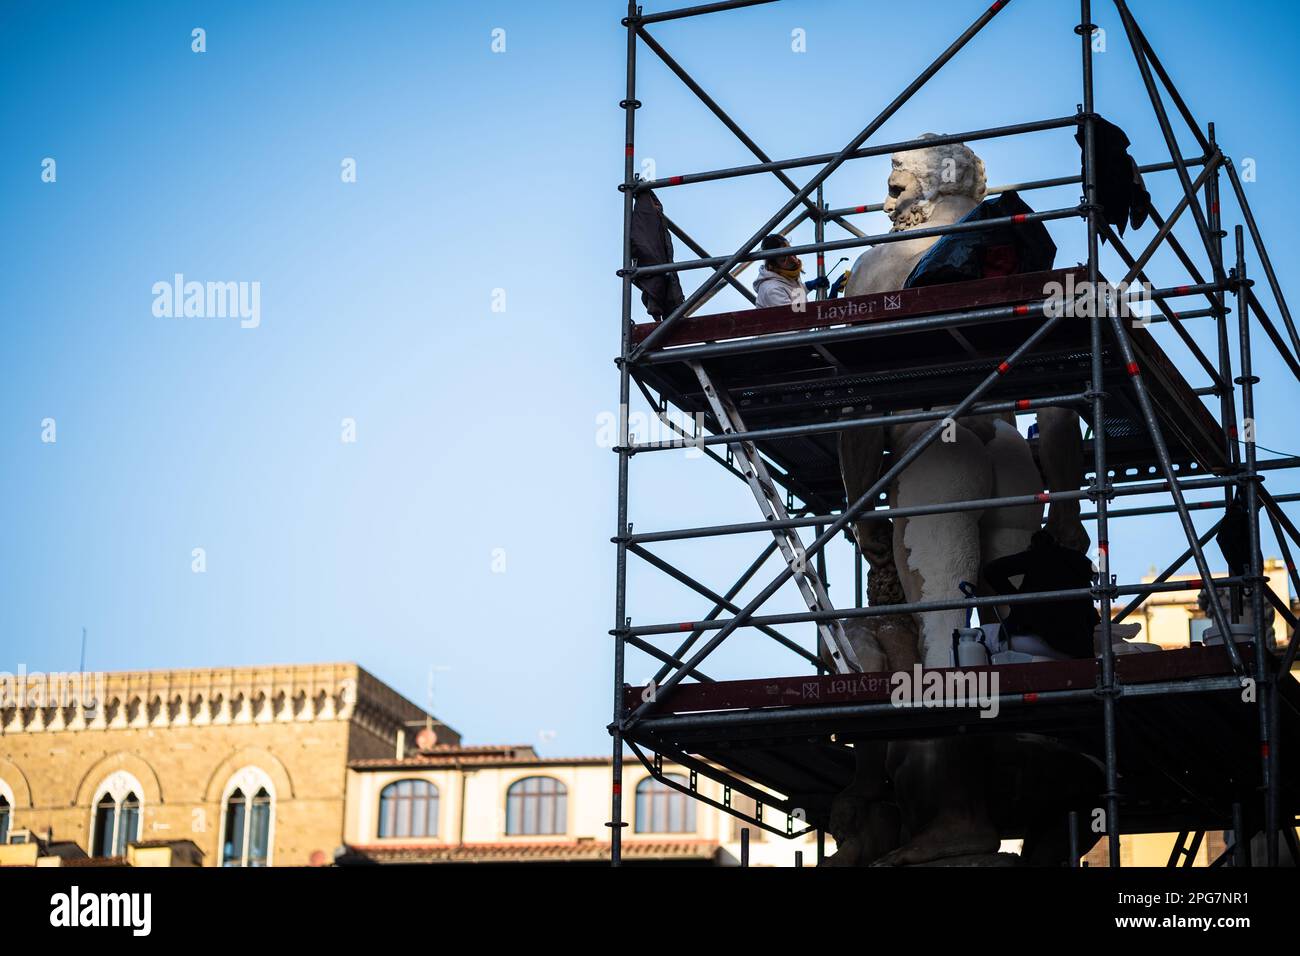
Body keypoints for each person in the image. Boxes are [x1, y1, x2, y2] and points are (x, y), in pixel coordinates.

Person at [982, 529, 1100, 659]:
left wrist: (1016, 599)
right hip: (1081, 648)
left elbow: (991, 570)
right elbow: (1095, 574)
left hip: (1040, 639)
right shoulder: (1077, 559)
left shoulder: (1035, 556)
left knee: (983, 637)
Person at [753, 234, 846, 307]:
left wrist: (808, 286)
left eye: (790, 251)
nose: (793, 260)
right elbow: (799, 322)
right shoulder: (772, 290)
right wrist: (830, 304)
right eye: (784, 259)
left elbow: (793, 297)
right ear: (773, 265)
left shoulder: (785, 275)